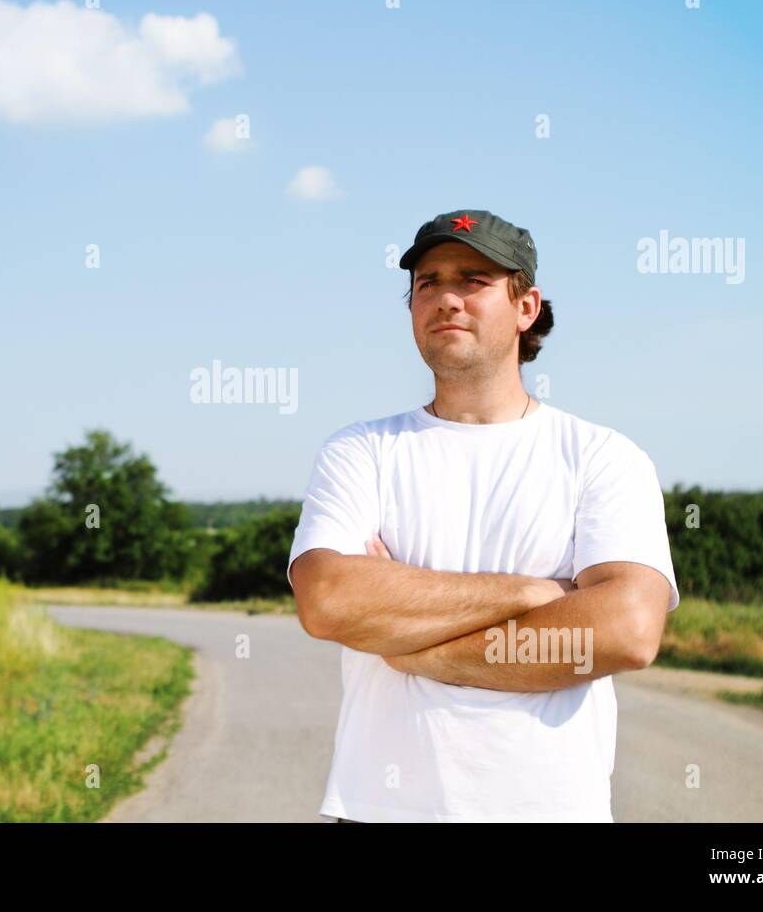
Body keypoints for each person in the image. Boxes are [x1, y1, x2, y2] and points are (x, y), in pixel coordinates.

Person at [287, 209, 679, 823]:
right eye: (427, 282)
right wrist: (536, 592)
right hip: (379, 810)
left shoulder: (603, 457)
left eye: (473, 280)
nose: (445, 297)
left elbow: (626, 629)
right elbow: (328, 600)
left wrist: (415, 647)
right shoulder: (360, 451)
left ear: (527, 307)